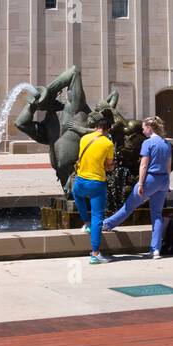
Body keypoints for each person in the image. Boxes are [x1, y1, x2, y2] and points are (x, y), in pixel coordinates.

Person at [103, 116, 173, 259]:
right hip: (163, 180)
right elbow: (168, 166)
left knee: (129, 206)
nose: (142, 131)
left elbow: (143, 165)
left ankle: (106, 224)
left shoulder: (148, 143)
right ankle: (155, 250)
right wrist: (167, 184)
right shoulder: (167, 144)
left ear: (149, 128)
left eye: (143, 128)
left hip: (150, 179)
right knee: (157, 215)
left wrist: (140, 183)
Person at [71, 111, 115, 264]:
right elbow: (109, 166)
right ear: (108, 129)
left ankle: (85, 223)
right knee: (98, 217)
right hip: (96, 183)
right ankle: (95, 253)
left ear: (96, 127)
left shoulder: (84, 138)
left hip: (80, 180)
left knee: (77, 196)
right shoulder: (108, 143)